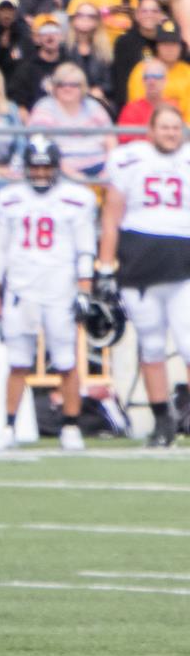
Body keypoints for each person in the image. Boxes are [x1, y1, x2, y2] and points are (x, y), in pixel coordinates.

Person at [0, 135, 95, 453]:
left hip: (59, 289)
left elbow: (84, 247)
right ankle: (8, 427)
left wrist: (84, 288)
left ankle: (71, 426)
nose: (41, 174)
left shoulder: (76, 198)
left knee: (66, 360)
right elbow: (0, 248)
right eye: (36, 167)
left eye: (46, 167)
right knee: (18, 361)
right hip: (22, 288)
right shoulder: (10, 198)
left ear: (56, 167)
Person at [97, 105, 190, 447]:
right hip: (139, 263)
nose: (170, 133)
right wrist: (105, 268)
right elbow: (111, 216)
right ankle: (163, 421)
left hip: (183, 263)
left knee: (189, 344)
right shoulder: (129, 159)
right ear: (150, 131)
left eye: (175, 127)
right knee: (150, 346)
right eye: (164, 127)